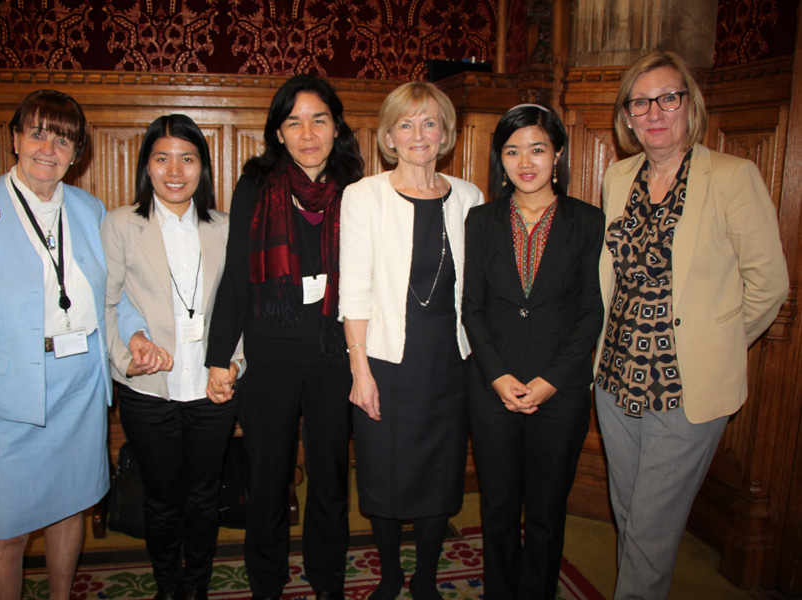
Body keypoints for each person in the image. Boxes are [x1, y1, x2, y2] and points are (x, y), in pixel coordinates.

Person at [0, 89, 144, 599]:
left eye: (63, 140)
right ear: (15, 138)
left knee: (70, 510)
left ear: (77, 152)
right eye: (38, 134)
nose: (49, 149)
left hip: (79, 391)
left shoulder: (90, 210)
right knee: (5, 534)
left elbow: (115, 292)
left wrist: (135, 336)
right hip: (5, 402)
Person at [595, 51, 789, 599]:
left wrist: (714, 344)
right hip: (614, 379)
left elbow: (769, 284)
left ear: (690, 105)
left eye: (668, 98)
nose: (655, 112)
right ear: (627, 116)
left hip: (685, 388)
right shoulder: (618, 177)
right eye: (640, 102)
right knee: (630, 514)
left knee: (650, 531)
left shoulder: (732, 176)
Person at [205, 75, 363, 600]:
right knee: (268, 481)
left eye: (319, 120)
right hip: (269, 351)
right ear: (278, 132)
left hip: (333, 351)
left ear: (336, 127)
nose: (308, 133)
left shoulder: (357, 190)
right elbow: (235, 276)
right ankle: (267, 584)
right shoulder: (255, 186)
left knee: (330, 480)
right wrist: (219, 357)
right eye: (294, 122)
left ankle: (328, 581)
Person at [339, 81, 483, 600]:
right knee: (383, 472)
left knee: (439, 474)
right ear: (389, 136)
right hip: (385, 357)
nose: (418, 134)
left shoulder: (469, 196)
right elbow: (354, 290)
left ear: (445, 133)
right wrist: (360, 372)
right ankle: (390, 575)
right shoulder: (363, 196)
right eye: (406, 124)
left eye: (429, 123)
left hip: (450, 359)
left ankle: (424, 576)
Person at [461, 104, 604, 599]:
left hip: (559, 391)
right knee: (498, 507)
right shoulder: (480, 220)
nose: (525, 162)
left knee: (546, 511)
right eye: (512, 151)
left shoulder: (587, 221)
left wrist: (552, 381)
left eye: (537, 149)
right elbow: (472, 308)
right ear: (500, 159)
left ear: (557, 154)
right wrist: (498, 376)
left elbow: (591, 310)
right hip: (492, 386)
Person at [102, 114, 243, 600]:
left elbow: (241, 306)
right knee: (161, 500)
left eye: (188, 158)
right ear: (147, 165)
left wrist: (235, 363)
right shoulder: (121, 224)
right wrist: (126, 356)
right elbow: (107, 302)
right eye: (162, 158)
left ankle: (197, 586)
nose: (175, 171)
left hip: (211, 389)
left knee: (203, 498)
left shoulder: (225, 227)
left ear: (203, 166)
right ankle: (167, 587)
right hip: (148, 390)